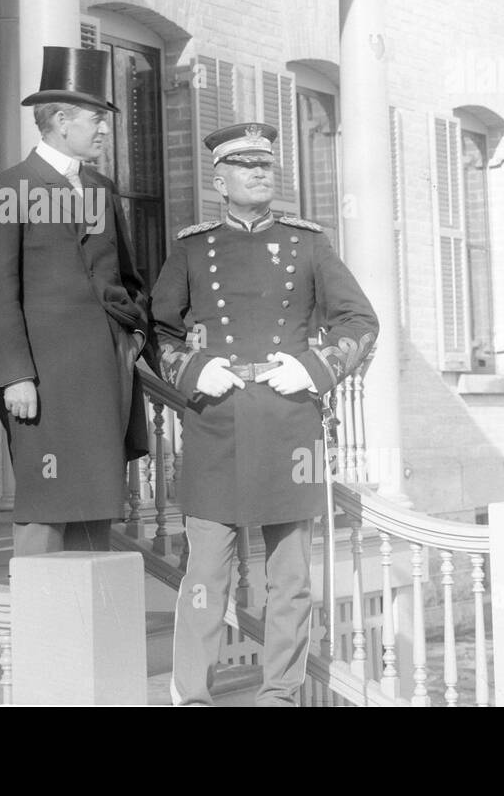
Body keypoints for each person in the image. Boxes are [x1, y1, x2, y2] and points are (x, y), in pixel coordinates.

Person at [151, 122, 377, 706]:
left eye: (266, 165)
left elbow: (360, 321)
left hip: (289, 422)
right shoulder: (192, 248)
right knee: (205, 576)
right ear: (219, 180)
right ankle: (191, 698)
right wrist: (193, 370)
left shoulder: (308, 244)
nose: (259, 173)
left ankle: (279, 697)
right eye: (245, 165)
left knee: (291, 579)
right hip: (215, 421)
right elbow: (156, 330)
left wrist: (314, 367)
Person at [0, 46, 151, 556]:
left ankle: (89, 608)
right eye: (97, 119)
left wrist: (133, 338)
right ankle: (40, 607)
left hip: (104, 375)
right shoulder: (8, 190)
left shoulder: (101, 189)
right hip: (42, 381)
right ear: (61, 120)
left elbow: (127, 279)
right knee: (46, 502)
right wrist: (14, 375)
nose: (104, 130)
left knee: (97, 504)